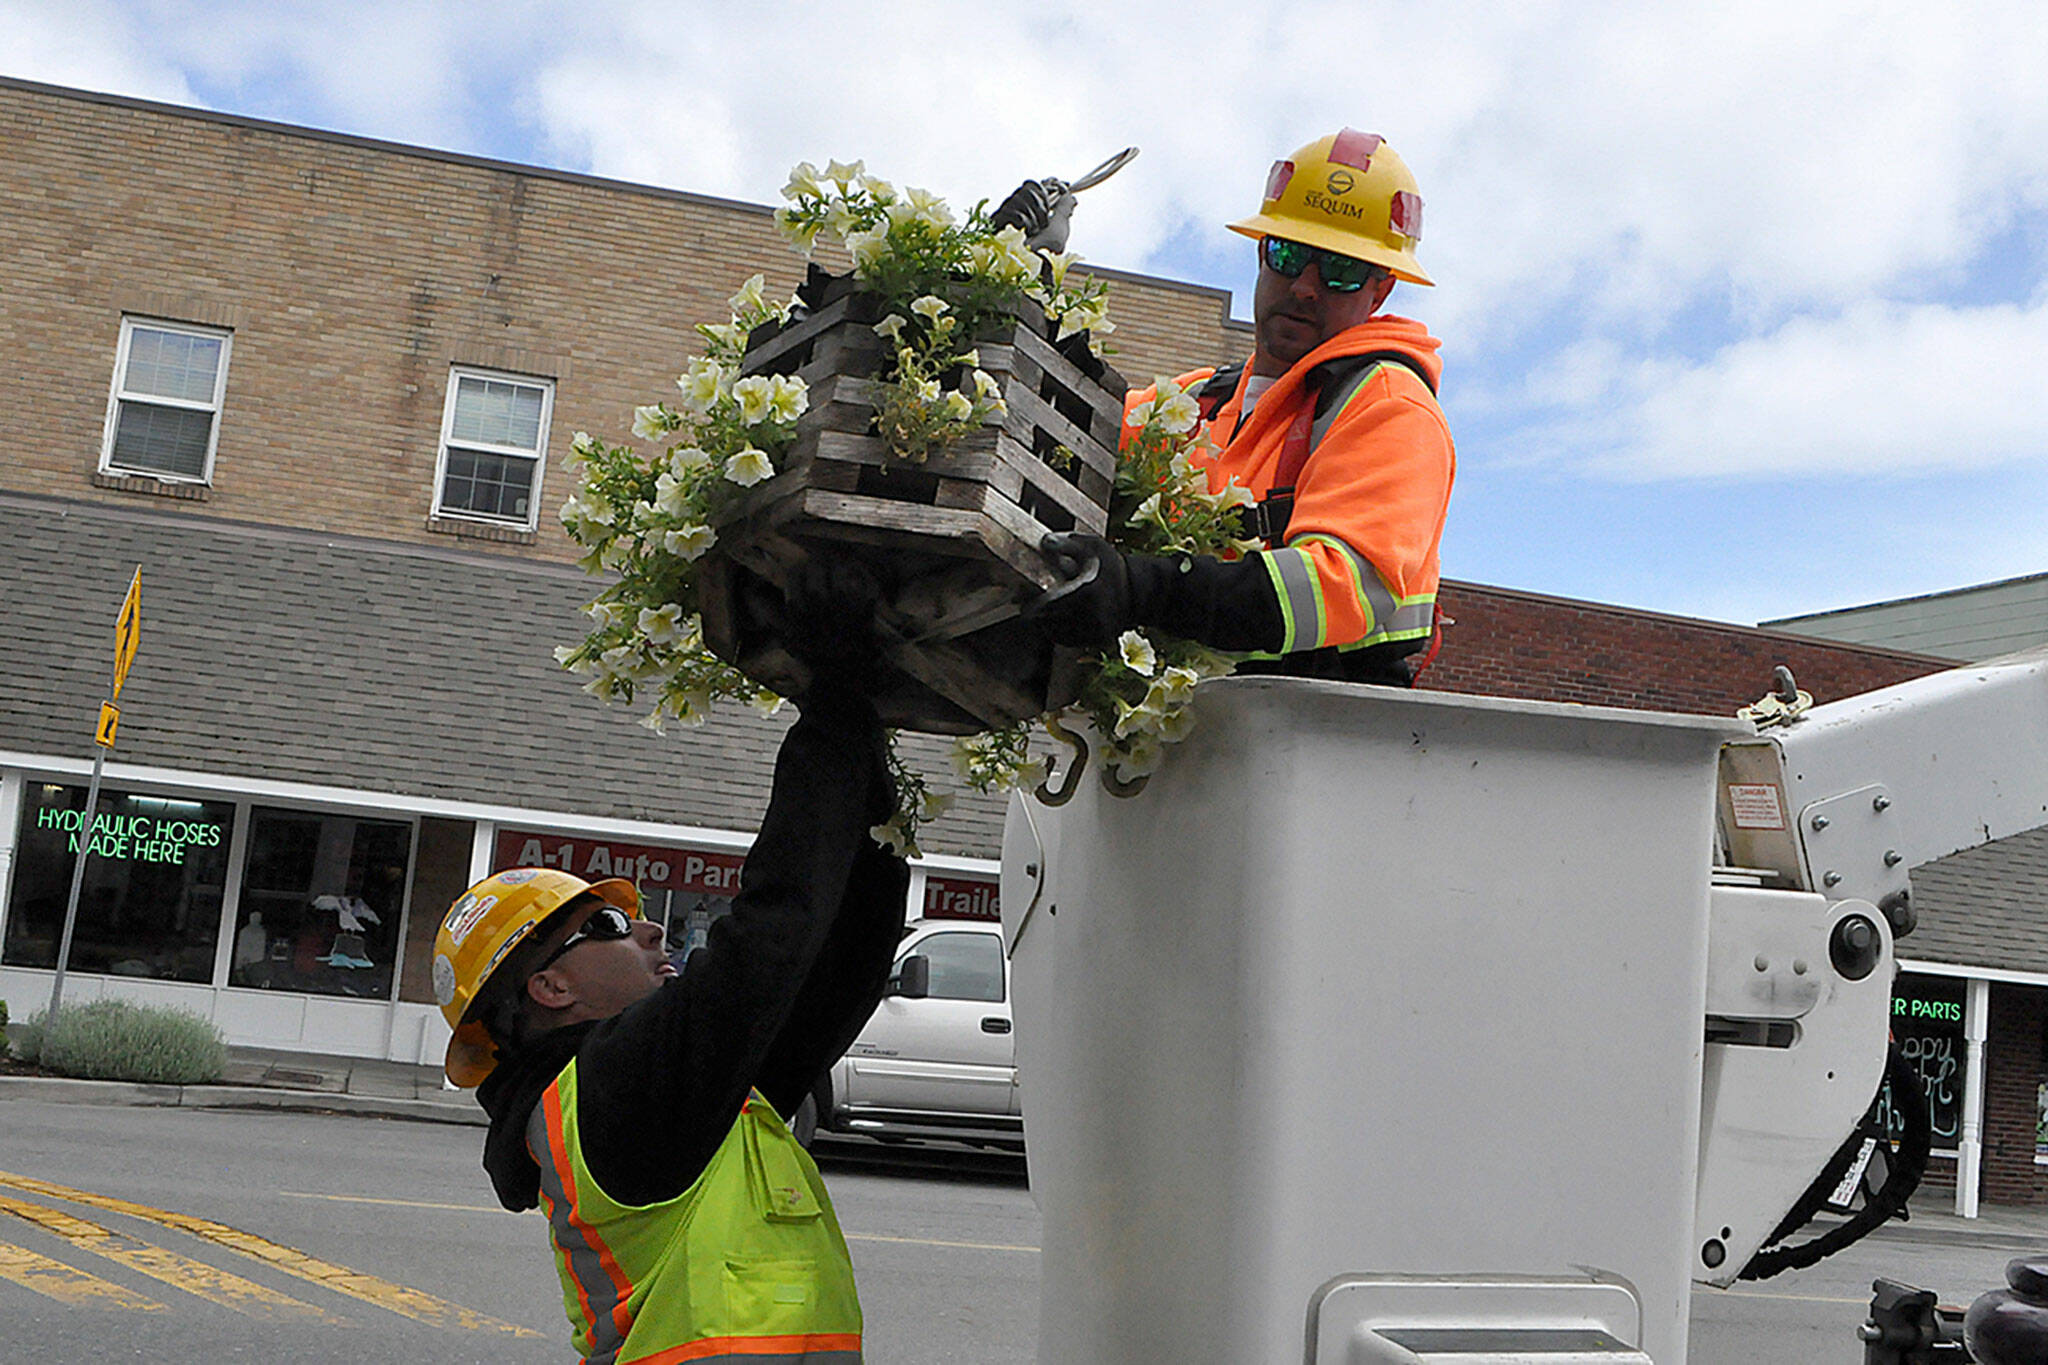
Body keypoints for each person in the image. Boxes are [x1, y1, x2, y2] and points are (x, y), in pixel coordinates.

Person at [431, 572, 906, 1364]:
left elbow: (836, 973)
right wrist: (836, 701)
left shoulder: (689, 1102)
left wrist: (866, 760)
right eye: (608, 924)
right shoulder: (619, 1090)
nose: (651, 928)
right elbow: (770, 932)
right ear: (550, 986)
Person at [1021, 129, 1455, 686]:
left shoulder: (1390, 407)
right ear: (1260, 252)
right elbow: (1061, 438)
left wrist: (1140, 588)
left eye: (1339, 270)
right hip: (1194, 735)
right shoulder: (1199, 400)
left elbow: (1336, 591)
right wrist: (1018, 276)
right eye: (1289, 253)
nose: (1304, 287)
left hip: (1310, 741)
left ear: (1379, 292)